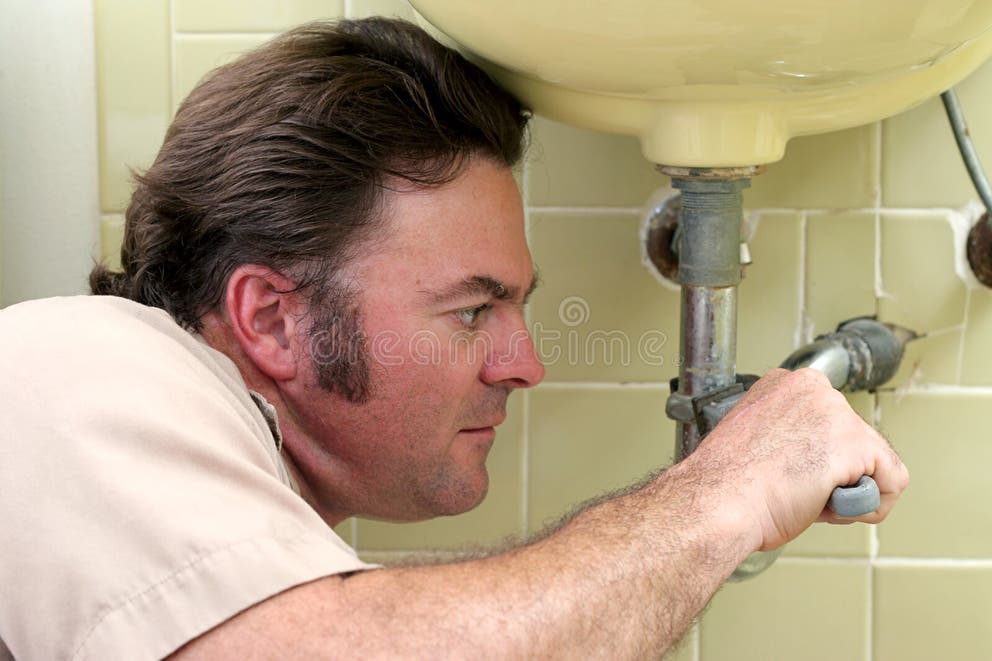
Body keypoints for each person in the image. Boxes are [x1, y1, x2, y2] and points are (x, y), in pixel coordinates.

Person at [0, 17, 908, 660]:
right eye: (473, 310)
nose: (526, 365)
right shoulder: (66, 364)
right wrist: (729, 488)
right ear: (273, 318)